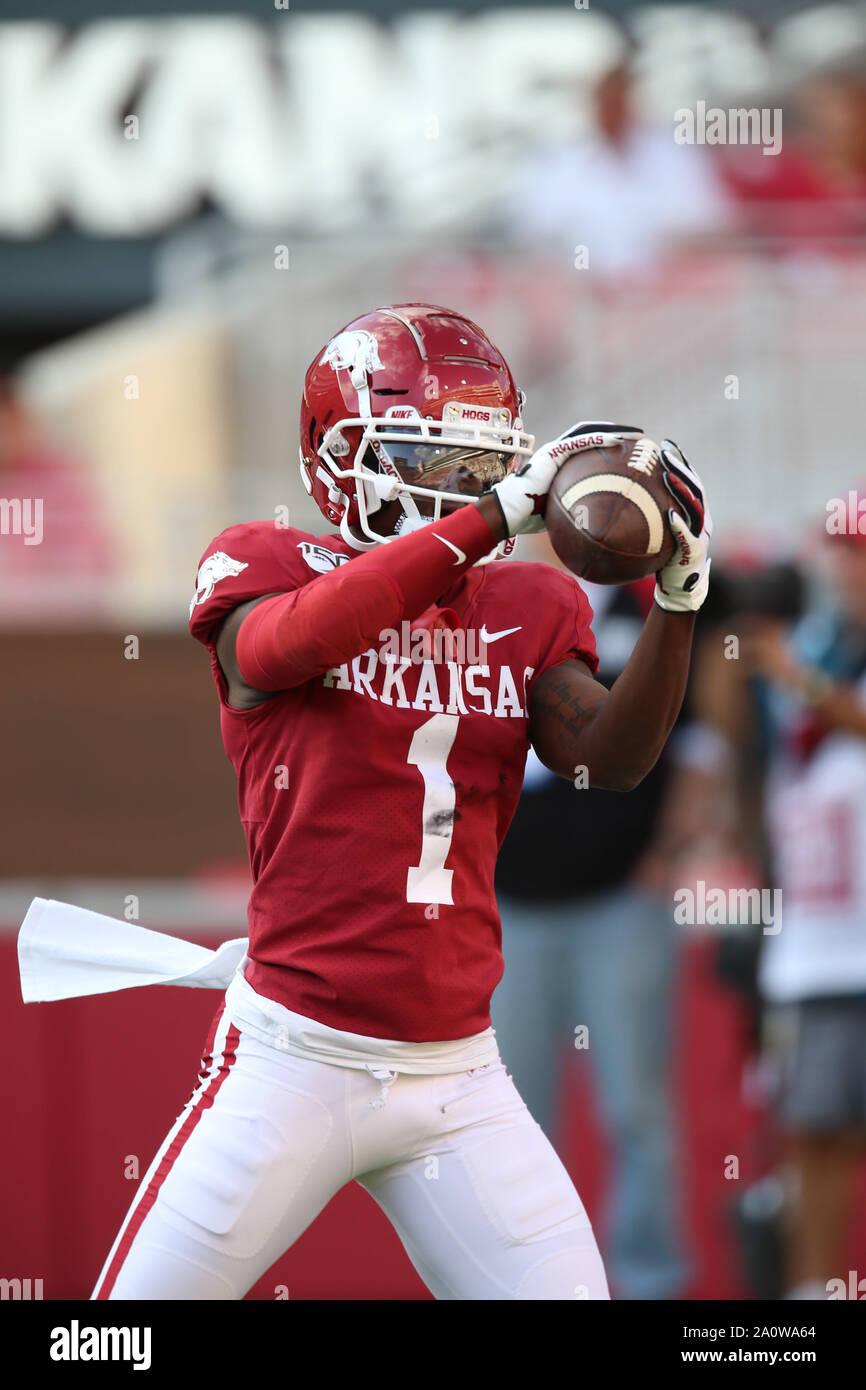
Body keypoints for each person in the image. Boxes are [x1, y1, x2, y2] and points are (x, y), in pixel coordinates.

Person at [91, 303, 711, 1301]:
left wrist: (680, 601)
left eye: (479, 466)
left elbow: (607, 760)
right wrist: (489, 519)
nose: (460, 488)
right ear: (335, 455)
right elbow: (281, 648)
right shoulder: (266, 564)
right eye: (431, 458)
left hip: (455, 1075)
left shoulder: (527, 606)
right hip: (291, 1057)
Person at [491, 562, 689, 1300]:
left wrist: (667, 853)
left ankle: (648, 1282)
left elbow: (699, 742)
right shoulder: (503, 606)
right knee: (509, 1114)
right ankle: (524, 1284)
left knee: (634, 1105)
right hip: (507, 902)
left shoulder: (652, 611)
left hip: (618, 899)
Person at [746, 509, 866, 1299]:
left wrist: (791, 673)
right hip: (813, 947)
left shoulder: (812, 669)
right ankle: (809, 1302)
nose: (845, 574)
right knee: (813, 1137)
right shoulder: (822, 652)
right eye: (842, 558)